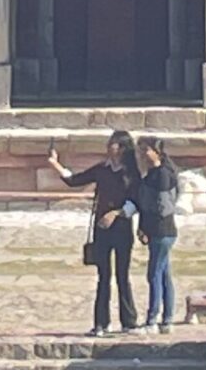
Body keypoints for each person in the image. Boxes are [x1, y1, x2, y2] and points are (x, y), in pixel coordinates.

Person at [47, 129, 141, 335]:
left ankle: (129, 321)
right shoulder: (102, 169)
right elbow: (75, 180)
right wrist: (56, 165)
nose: (109, 147)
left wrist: (116, 213)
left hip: (122, 228)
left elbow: (136, 200)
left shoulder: (131, 173)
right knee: (103, 275)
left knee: (122, 275)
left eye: (114, 144)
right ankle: (101, 323)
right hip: (102, 230)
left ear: (123, 148)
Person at [133, 133, 182, 332]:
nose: (143, 155)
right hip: (156, 230)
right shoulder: (151, 175)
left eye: (146, 150)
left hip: (162, 231)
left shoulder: (162, 175)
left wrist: (148, 224)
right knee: (163, 273)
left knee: (154, 273)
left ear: (157, 151)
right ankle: (167, 319)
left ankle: (153, 318)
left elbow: (162, 207)